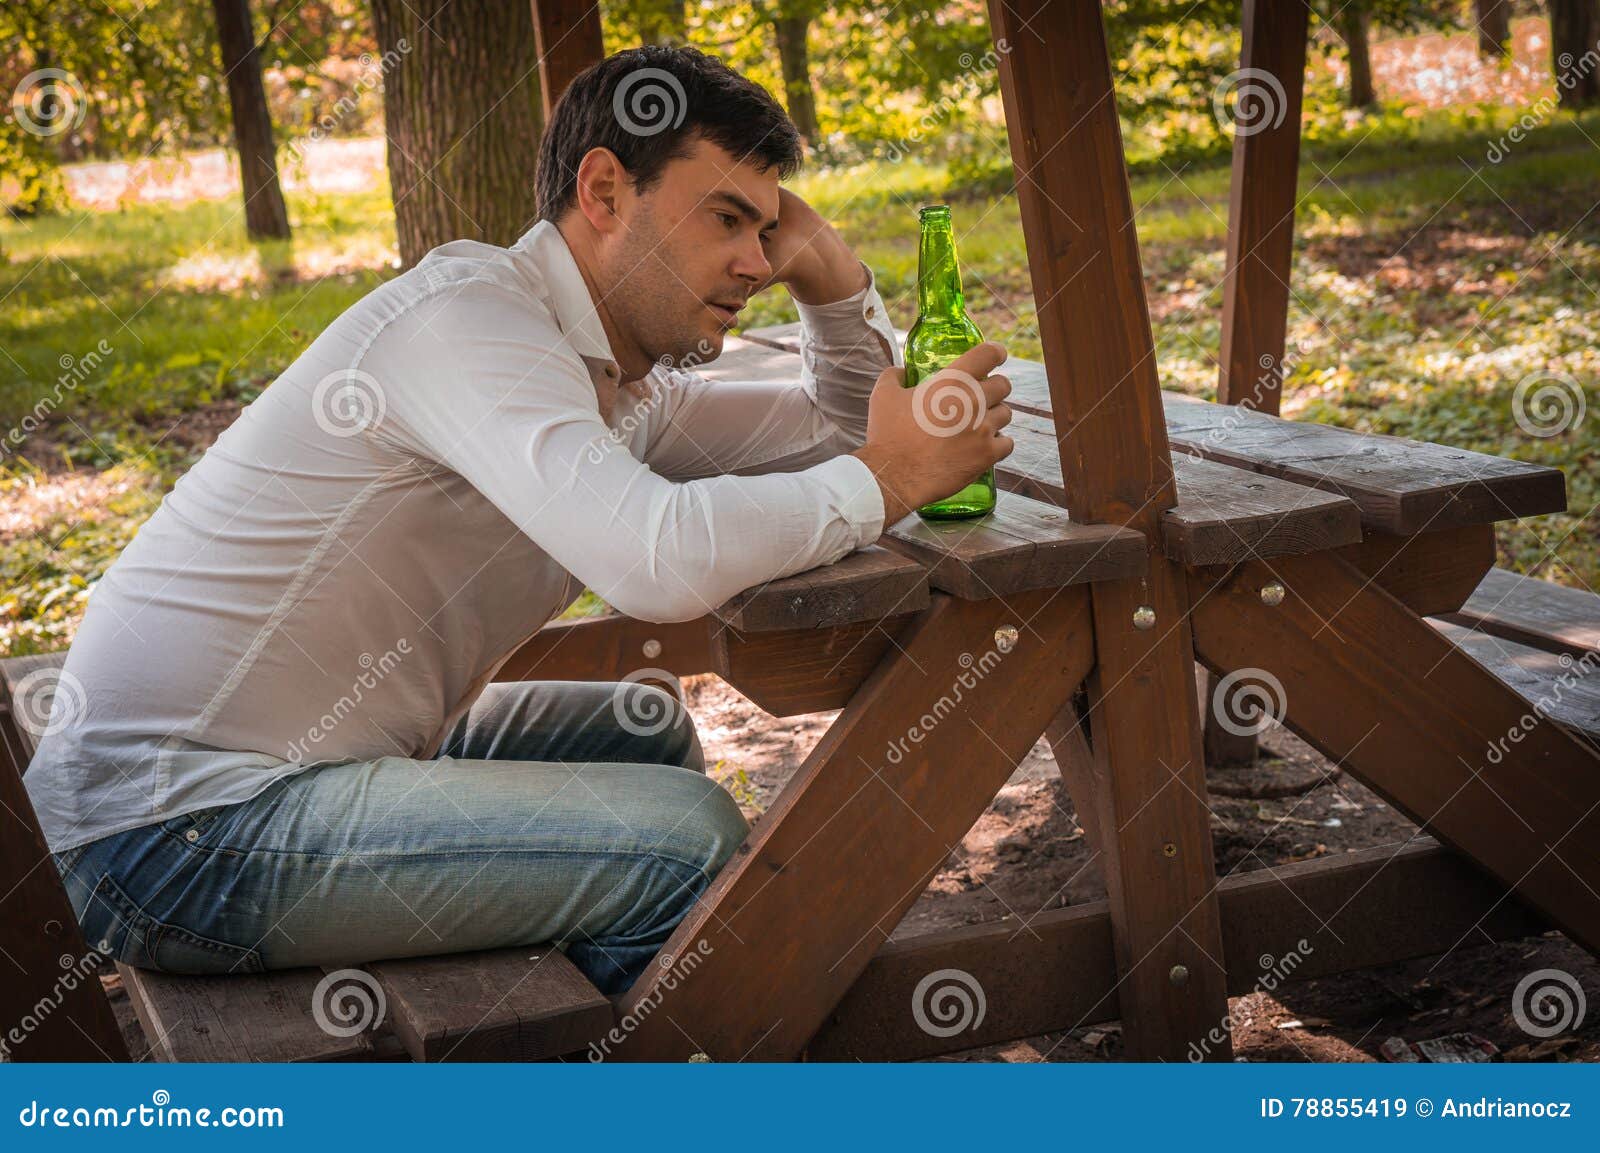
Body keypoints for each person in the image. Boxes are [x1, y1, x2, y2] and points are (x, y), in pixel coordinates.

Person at [27, 45, 1013, 996]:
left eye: (768, 230)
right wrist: (892, 477)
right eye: (727, 219)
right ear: (604, 192)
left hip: (301, 762)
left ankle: (595, 1031)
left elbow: (839, 432)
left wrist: (833, 281)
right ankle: (650, 1060)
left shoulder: (616, 379)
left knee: (642, 732)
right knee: (684, 835)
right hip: (171, 828)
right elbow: (660, 558)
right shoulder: (471, 321)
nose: (757, 262)